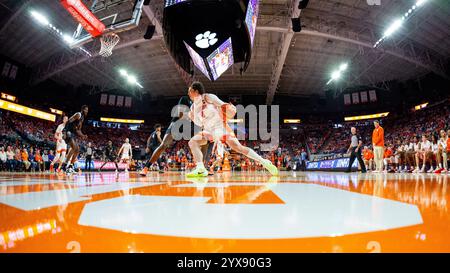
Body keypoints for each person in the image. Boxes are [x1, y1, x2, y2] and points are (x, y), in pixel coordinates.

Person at [185, 81, 278, 177]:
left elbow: (223, 105)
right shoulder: (193, 107)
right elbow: (199, 123)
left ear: (196, 91)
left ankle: (264, 162)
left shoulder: (207, 97)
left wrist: (230, 109)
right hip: (209, 130)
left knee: (238, 148)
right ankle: (200, 168)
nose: (188, 93)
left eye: (190, 91)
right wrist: (192, 118)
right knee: (192, 142)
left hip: (220, 127)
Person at [63, 106, 88, 174]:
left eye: (87, 110)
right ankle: (64, 165)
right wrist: (64, 132)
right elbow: (68, 121)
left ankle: (70, 166)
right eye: (85, 110)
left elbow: (78, 131)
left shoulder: (82, 119)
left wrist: (83, 135)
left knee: (77, 150)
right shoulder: (78, 114)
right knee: (74, 147)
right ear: (82, 109)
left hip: (73, 134)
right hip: (68, 132)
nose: (86, 111)